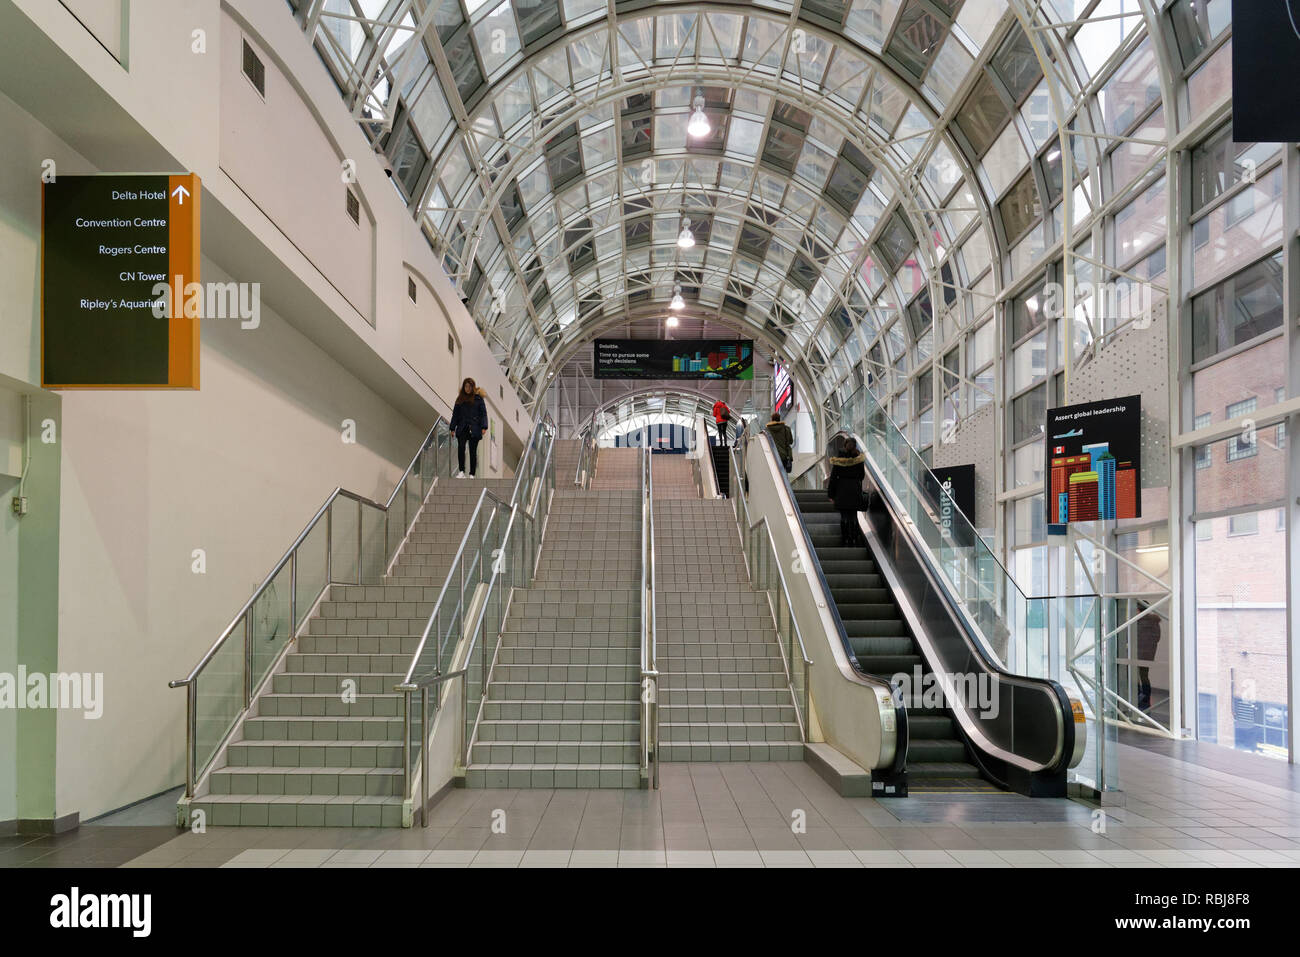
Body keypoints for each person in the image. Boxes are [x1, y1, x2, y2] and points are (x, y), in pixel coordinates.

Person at [826, 435, 867, 547]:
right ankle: (853, 539)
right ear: (855, 446)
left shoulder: (838, 460)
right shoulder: (859, 459)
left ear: (844, 446)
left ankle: (845, 539)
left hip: (842, 490)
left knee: (844, 516)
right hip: (854, 490)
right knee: (853, 516)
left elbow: (833, 478)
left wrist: (831, 494)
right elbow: (861, 476)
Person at [449, 377, 489, 478]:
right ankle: (461, 471)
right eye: (466, 386)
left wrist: (484, 426)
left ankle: (472, 474)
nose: (467, 388)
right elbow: (455, 415)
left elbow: (483, 413)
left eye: (470, 386)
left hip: (474, 428)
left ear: (473, 387)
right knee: (461, 447)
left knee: (472, 451)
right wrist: (452, 428)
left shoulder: (478, 399)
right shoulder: (460, 399)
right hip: (462, 427)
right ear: (464, 387)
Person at [1135, 602, 1161, 712]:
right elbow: (1157, 638)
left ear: (1139, 610)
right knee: (1144, 676)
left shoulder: (1139, 622)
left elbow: (1133, 638)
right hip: (1149, 654)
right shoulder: (1155, 622)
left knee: (1135, 676)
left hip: (1137, 654)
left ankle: (1137, 699)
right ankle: (1145, 699)